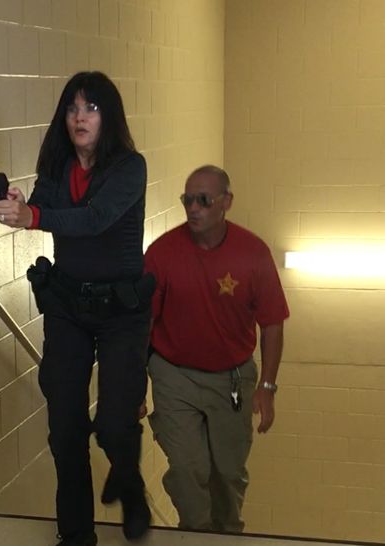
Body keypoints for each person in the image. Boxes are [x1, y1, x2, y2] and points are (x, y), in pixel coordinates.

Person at [0, 71, 153, 546]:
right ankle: (77, 536)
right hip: (68, 306)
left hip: (122, 310)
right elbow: (41, 209)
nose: (80, 118)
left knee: (111, 423)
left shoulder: (129, 167)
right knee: (65, 428)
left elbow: (95, 219)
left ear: (109, 117)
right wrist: (19, 204)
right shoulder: (58, 166)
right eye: (72, 109)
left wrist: (34, 215)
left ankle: (130, 484)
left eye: (91, 108)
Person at [143, 164, 289, 533]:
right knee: (188, 468)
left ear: (226, 202)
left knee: (227, 472)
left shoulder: (253, 253)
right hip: (174, 374)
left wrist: (267, 388)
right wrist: (130, 386)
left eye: (203, 200)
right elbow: (139, 326)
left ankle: (226, 534)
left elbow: (272, 323)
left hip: (233, 378)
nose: (193, 208)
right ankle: (196, 534)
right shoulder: (162, 253)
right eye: (187, 200)